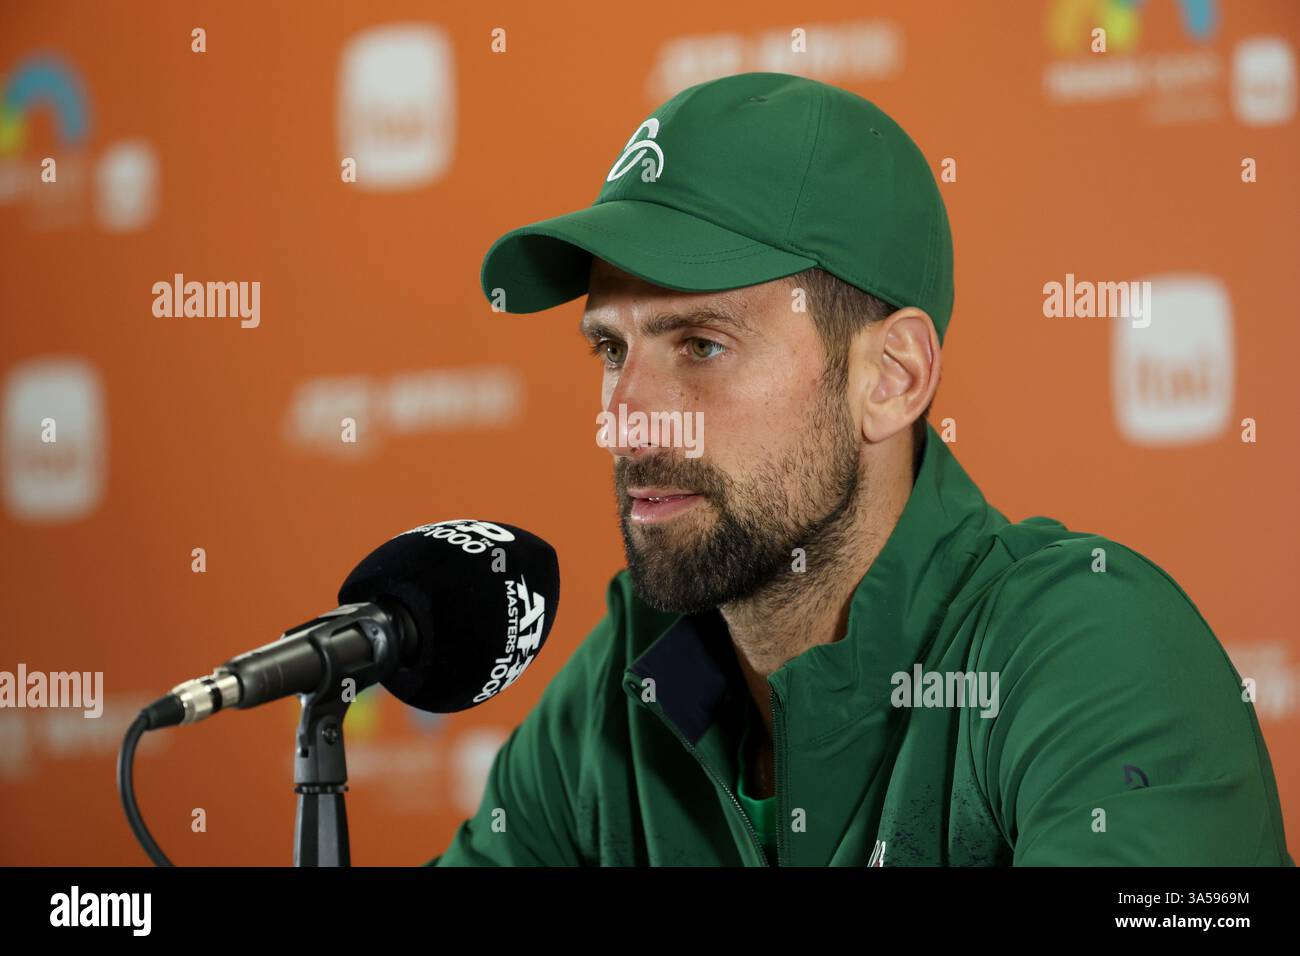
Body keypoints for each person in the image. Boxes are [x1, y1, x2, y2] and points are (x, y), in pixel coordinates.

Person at [430, 72, 1292, 866]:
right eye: (611, 349)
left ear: (893, 378)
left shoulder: (1090, 650)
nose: (622, 421)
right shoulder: (624, 684)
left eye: (701, 345)